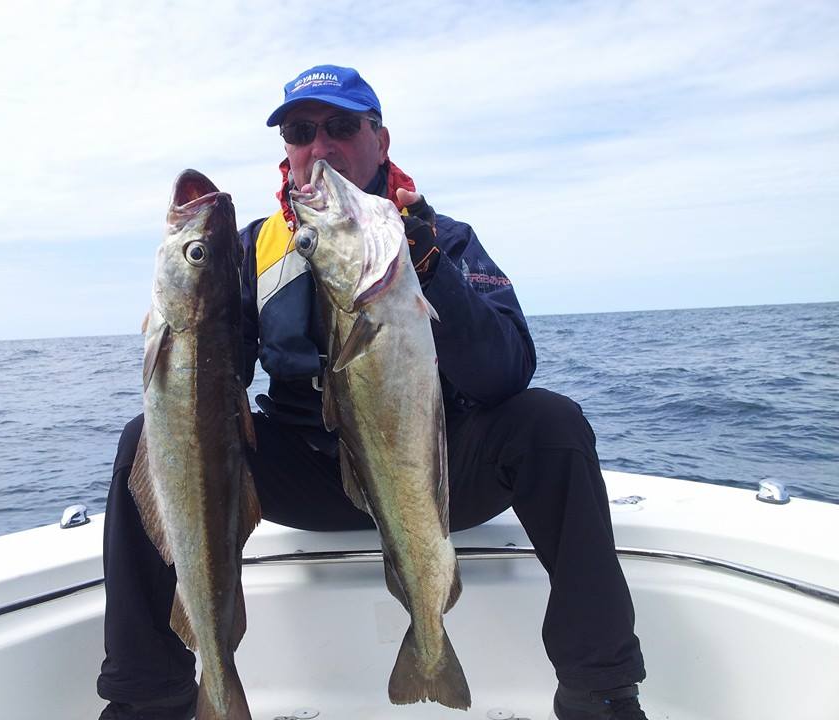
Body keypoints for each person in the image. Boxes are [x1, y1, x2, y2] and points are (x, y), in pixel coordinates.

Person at [97, 64, 648, 720]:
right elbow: (217, 384)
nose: (320, 146)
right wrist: (187, 314)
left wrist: (431, 271)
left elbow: (506, 372)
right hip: (306, 474)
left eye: (341, 127)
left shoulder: (438, 239)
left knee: (551, 425)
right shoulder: (252, 250)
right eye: (302, 131)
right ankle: (147, 704)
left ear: (379, 140)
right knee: (148, 445)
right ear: (288, 149)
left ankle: (601, 693)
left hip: (427, 478)